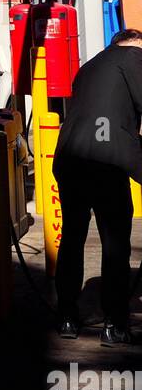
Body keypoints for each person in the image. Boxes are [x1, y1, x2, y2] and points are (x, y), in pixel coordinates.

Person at [53, 27, 142, 344]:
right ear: (132, 43)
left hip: (70, 159)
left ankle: (66, 318)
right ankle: (114, 324)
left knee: (73, 238)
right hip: (106, 160)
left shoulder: (90, 66)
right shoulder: (132, 57)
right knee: (115, 243)